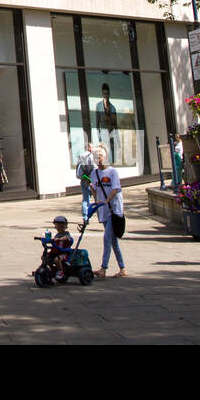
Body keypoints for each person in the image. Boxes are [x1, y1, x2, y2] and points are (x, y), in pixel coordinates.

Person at [89, 147, 126, 279]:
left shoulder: (112, 172)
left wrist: (106, 200)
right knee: (113, 241)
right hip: (103, 210)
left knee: (107, 238)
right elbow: (94, 191)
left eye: (99, 157)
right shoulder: (94, 173)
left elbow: (116, 189)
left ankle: (103, 269)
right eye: (95, 157)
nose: (97, 160)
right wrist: (93, 192)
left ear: (104, 157)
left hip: (113, 210)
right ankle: (122, 268)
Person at [44, 215, 73, 281]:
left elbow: (67, 238)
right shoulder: (57, 235)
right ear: (55, 226)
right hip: (56, 252)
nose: (60, 227)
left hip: (64, 253)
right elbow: (54, 240)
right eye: (58, 225)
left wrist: (60, 239)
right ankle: (53, 269)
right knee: (45, 257)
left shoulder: (66, 233)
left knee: (57, 260)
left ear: (66, 226)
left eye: (62, 225)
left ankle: (61, 271)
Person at [96, 83, 119, 164]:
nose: (105, 95)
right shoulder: (98, 106)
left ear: (109, 94)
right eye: (104, 93)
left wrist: (117, 138)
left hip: (111, 132)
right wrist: (99, 137)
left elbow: (116, 125)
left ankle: (112, 164)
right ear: (102, 94)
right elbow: (97, 123)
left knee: (112, 151)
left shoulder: (113, 107)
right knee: (105, 151)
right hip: (103, 132)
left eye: (107, 93)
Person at [75, 142, 97, 219]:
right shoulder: (91, 156)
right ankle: (98, 213)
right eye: (93, 147)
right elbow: (95, 168)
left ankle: (85, 216)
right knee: (96, 197)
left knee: (85, 199)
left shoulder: (81, 156)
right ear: (89, 148)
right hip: (91, 180)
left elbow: (78, 172)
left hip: (83, 180)